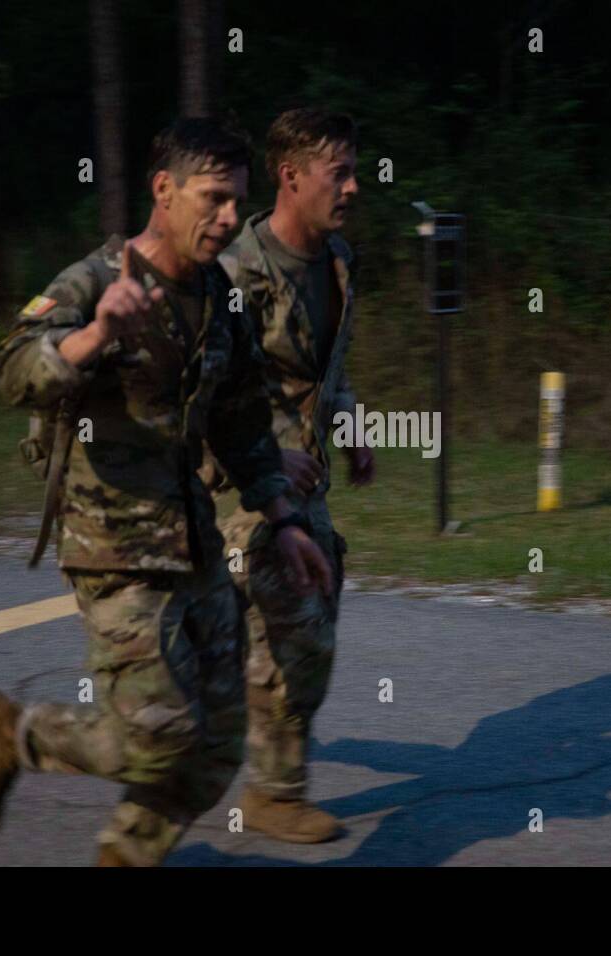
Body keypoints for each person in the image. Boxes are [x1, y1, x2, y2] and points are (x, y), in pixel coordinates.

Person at [0, 117, 332, 867]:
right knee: (158, 737)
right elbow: (13, 369)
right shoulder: (96, 280)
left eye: (237, 202)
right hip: (114, 544)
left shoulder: (222, 296)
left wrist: (286, 519)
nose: (229, 217)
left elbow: (241, 425)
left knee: (219, 746)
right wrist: (94, 336)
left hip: (193, 541)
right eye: (213, 198)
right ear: (164, 191)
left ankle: (125, 859)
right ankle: (18, 734)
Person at [209, 108, 373, 844]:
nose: (355, 186)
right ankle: (274, 792)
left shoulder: (339, 260)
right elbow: (200, 397)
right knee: (299, 628)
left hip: (304, 487)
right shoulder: (235, 274)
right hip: (239, 484)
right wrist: (265, 460)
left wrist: (350, 419)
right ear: (291, 176)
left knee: (313, 609)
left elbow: (318, 368)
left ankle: (252, 751)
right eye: (339, 172)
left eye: (353, 170)